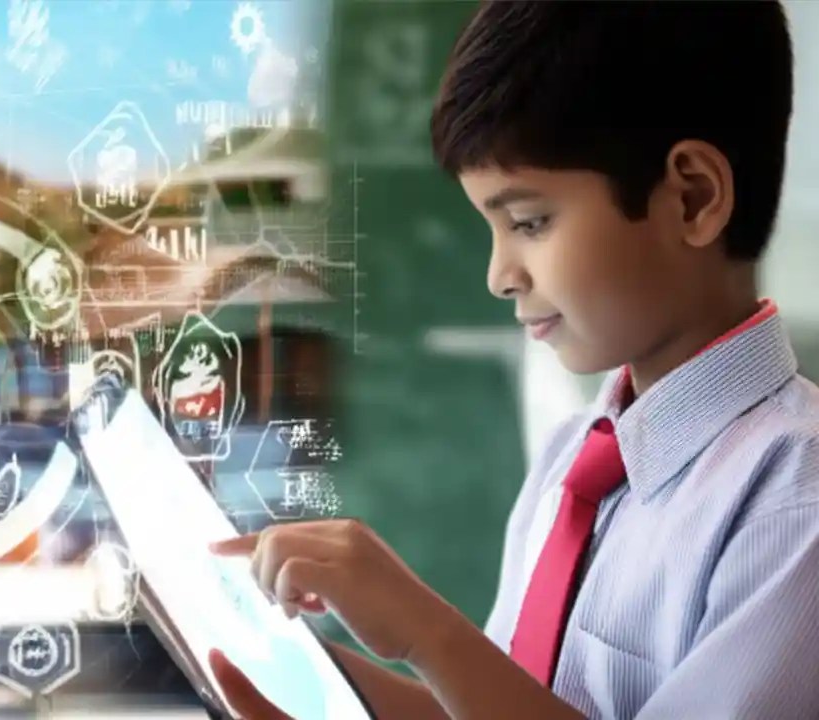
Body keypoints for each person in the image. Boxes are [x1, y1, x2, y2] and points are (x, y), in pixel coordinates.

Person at [209, 2, 819, 718]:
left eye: (530, 222)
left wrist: (427, 633)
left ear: (692, 197)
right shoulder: (574, 462)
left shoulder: (792, 506)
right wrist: (288, 672)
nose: (500, 274)